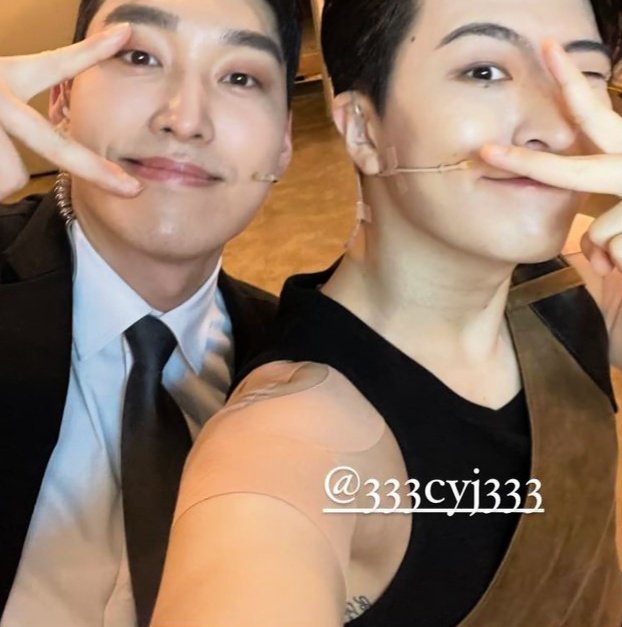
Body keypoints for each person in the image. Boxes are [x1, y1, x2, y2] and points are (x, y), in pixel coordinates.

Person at [153, 0, 622, 625]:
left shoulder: (585, 274)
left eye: (585, 77)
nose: (558, 130)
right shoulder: (290, 439)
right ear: (362, 131)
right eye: (483, 71)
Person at [0, 0, 300, 625]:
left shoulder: (303, 364)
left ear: (282, 145)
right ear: (62, 98)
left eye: (240, 76)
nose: (184, 119)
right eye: (139, 56)